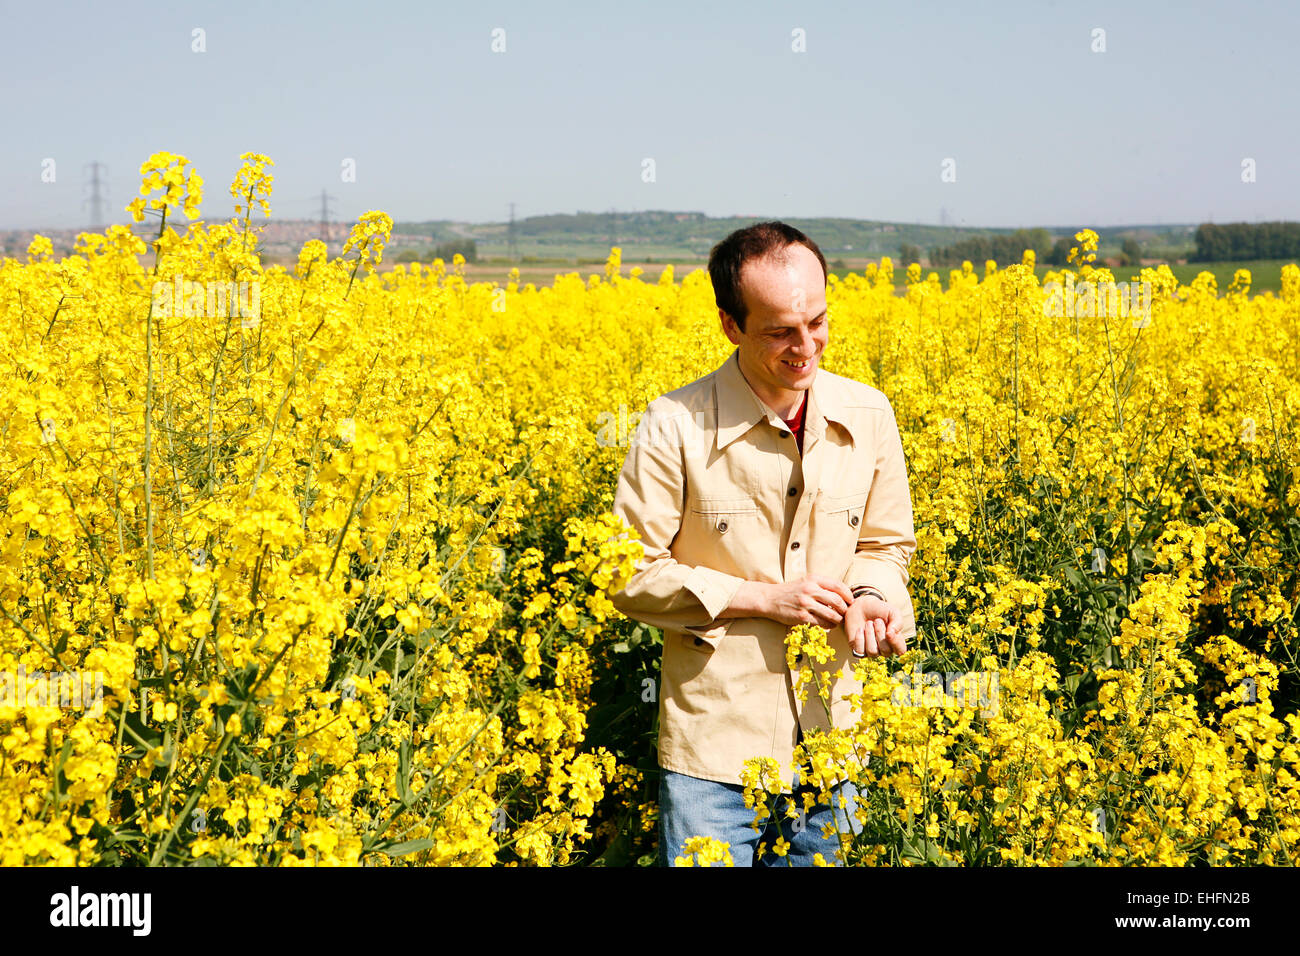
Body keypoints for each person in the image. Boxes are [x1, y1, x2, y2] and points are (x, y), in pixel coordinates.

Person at [608, 221, 918, 867]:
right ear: (731, 325)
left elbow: (886, 545)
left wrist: (870, 597)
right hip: (715, 748)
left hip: (835, 732)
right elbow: (628, 574)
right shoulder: (673, 425)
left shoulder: (869, 414)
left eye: (818, 322)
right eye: (779, 331)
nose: (805, 347)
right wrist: (760, 598)